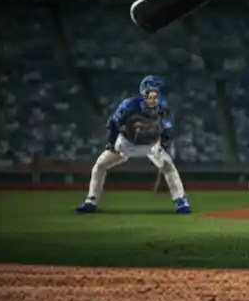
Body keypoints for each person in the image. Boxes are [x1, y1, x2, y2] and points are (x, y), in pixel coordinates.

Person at [76, 75, 191, 215]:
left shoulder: (163, 107)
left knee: (168, 166)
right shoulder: (129, 105)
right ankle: (91, 200)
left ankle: (180, 201)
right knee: (100, 165)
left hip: (151, 144)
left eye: (157, 94)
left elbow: (167, 128)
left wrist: (164, 143)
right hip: (127, 143)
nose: (155, 98)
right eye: (152, 93)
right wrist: (111, 143)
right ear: (144, 93)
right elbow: (114, 123)